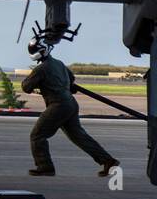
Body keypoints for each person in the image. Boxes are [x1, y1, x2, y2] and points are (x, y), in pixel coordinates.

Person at [21, 40, 119, 177]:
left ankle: (45, 166)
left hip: (58, 105)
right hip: (71, 104)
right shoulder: (59, 64)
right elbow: (72, 79)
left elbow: (26, 87)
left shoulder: (41, 69)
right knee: (79, 137)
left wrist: (40, 85)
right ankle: (108, 160)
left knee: (37, 136)